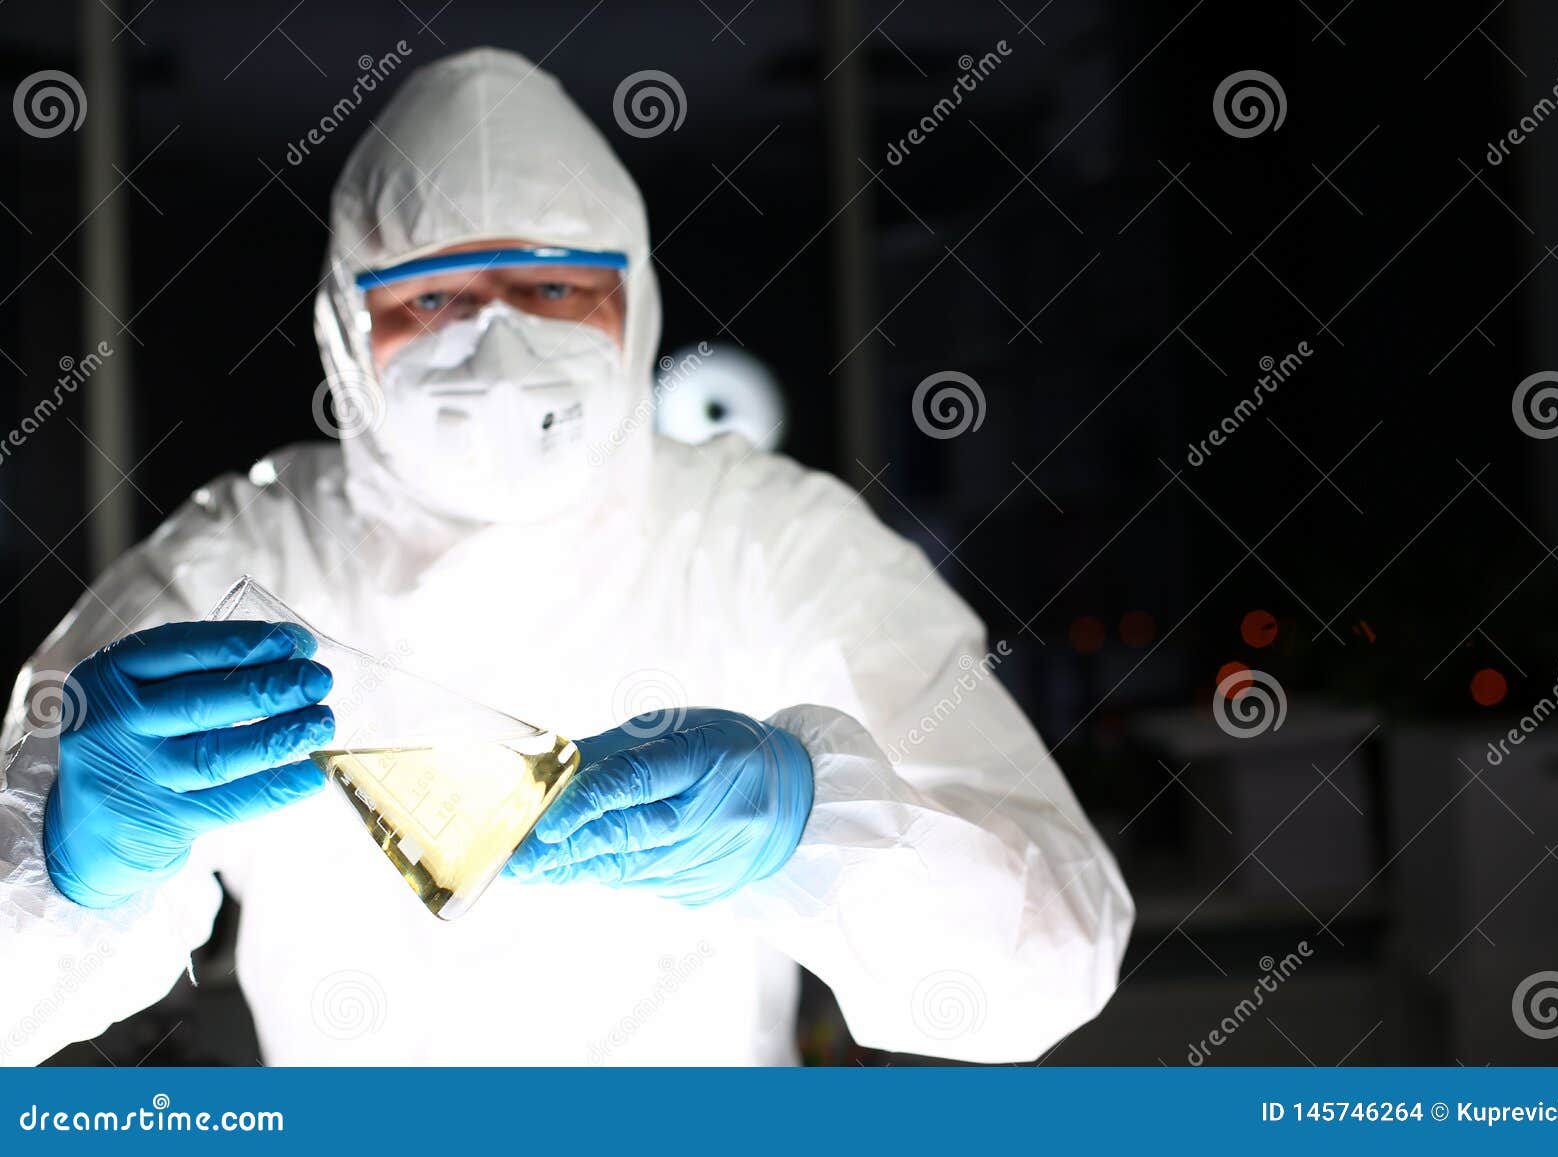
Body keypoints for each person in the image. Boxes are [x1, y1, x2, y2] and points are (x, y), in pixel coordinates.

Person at [0, 48, 1132, 1066]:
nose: (497, 350)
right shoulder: (238, 556)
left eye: (550, 288)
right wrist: (70, 861)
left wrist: (815, 828)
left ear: (628, 302)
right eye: (434, 297)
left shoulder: (772, 539)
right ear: (350, 330)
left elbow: (1050, 970)